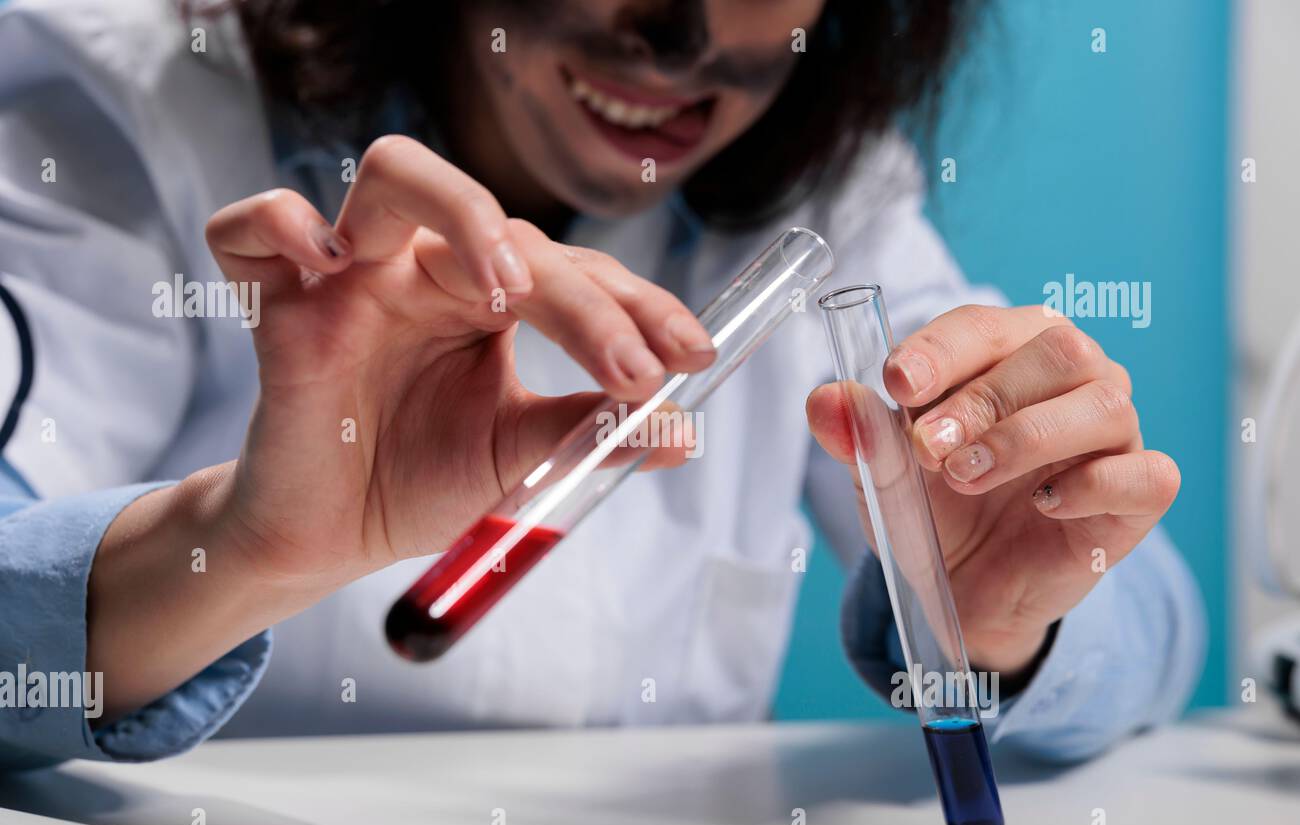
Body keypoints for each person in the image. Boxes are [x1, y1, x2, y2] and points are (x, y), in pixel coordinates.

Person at [0, 0, 1203, 771]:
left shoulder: (820, 209)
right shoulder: (127, 109)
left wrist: (1003, 611)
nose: (688, 48)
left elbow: (1154, 621)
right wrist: (245, 544)